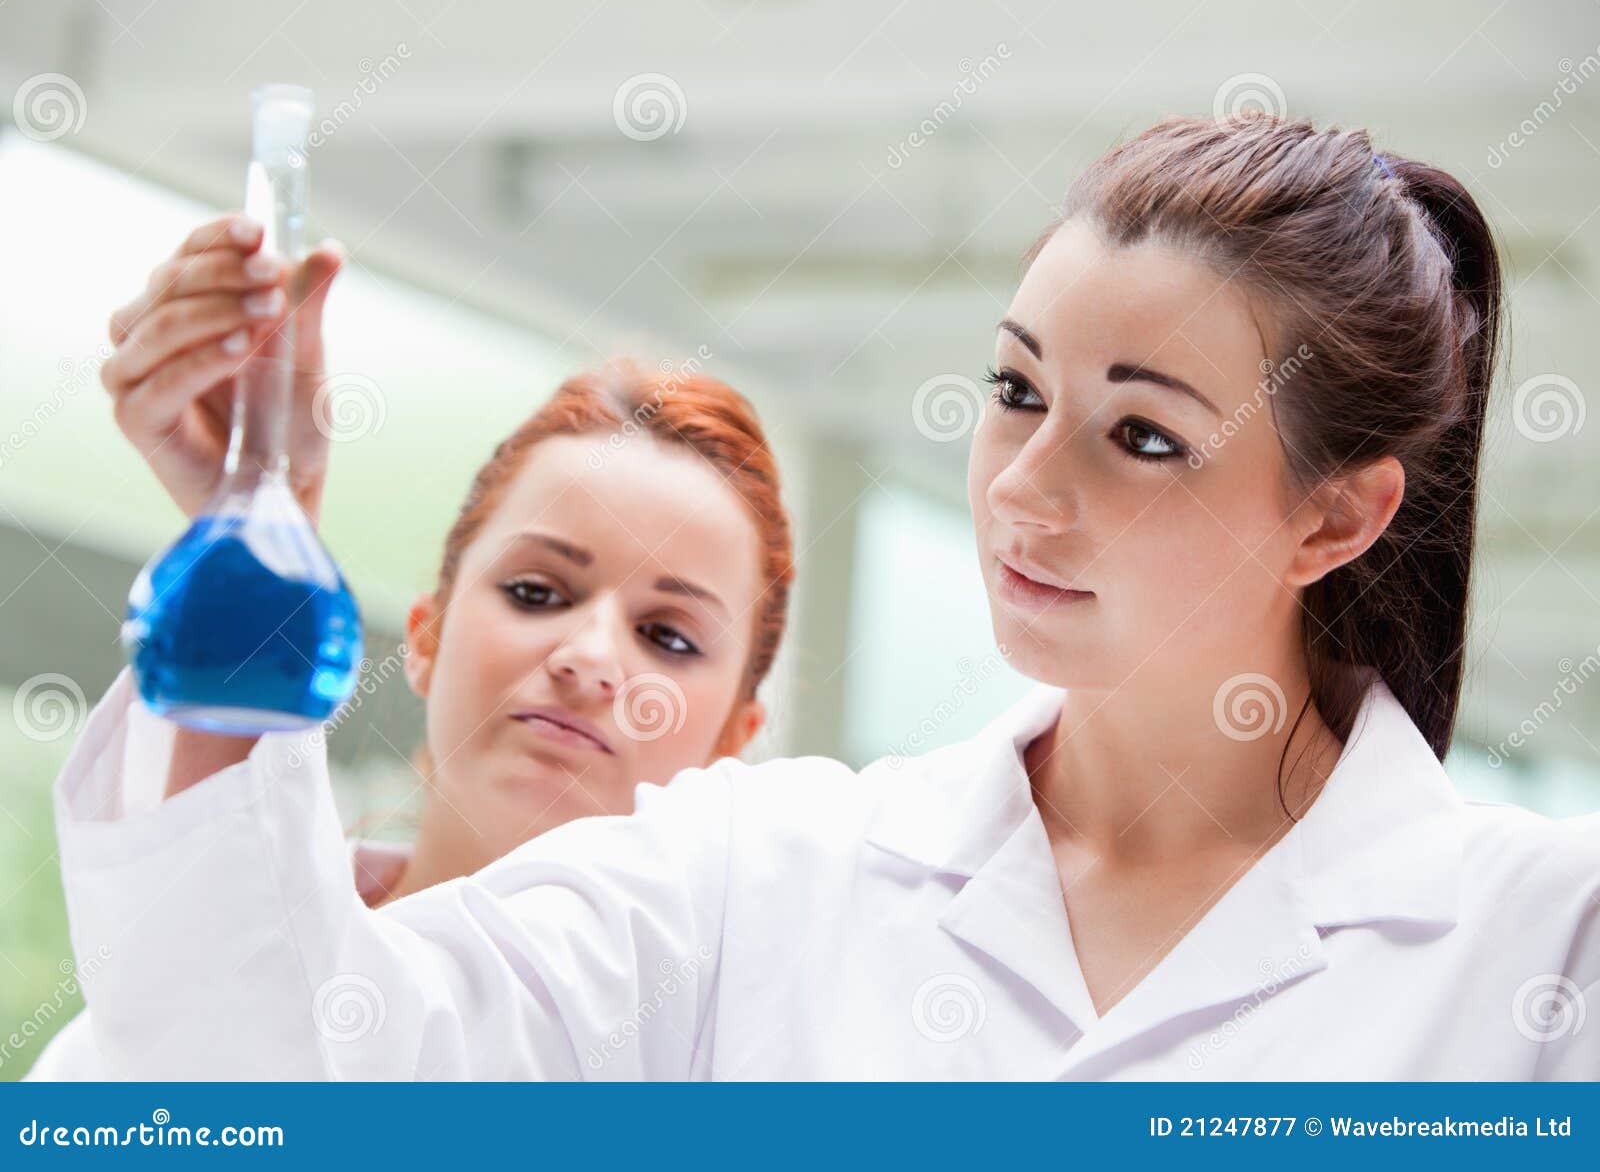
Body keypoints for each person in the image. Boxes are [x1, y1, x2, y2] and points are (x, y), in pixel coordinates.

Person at [50, 114, 1600, 1079]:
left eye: (1142, 436)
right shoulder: (761, 882)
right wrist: (252, 540)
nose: (1025, 487)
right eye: (1013, 388)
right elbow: (264, 1079)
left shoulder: (1542, 955)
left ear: (1336, 515)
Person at [25, 218, 794, 1079]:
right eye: (536, 592)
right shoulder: (117, 1055)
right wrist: (254, 524)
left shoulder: (743, 1066)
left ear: (736, 738)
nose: (590, 656)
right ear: (424, 638)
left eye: (669, 636)